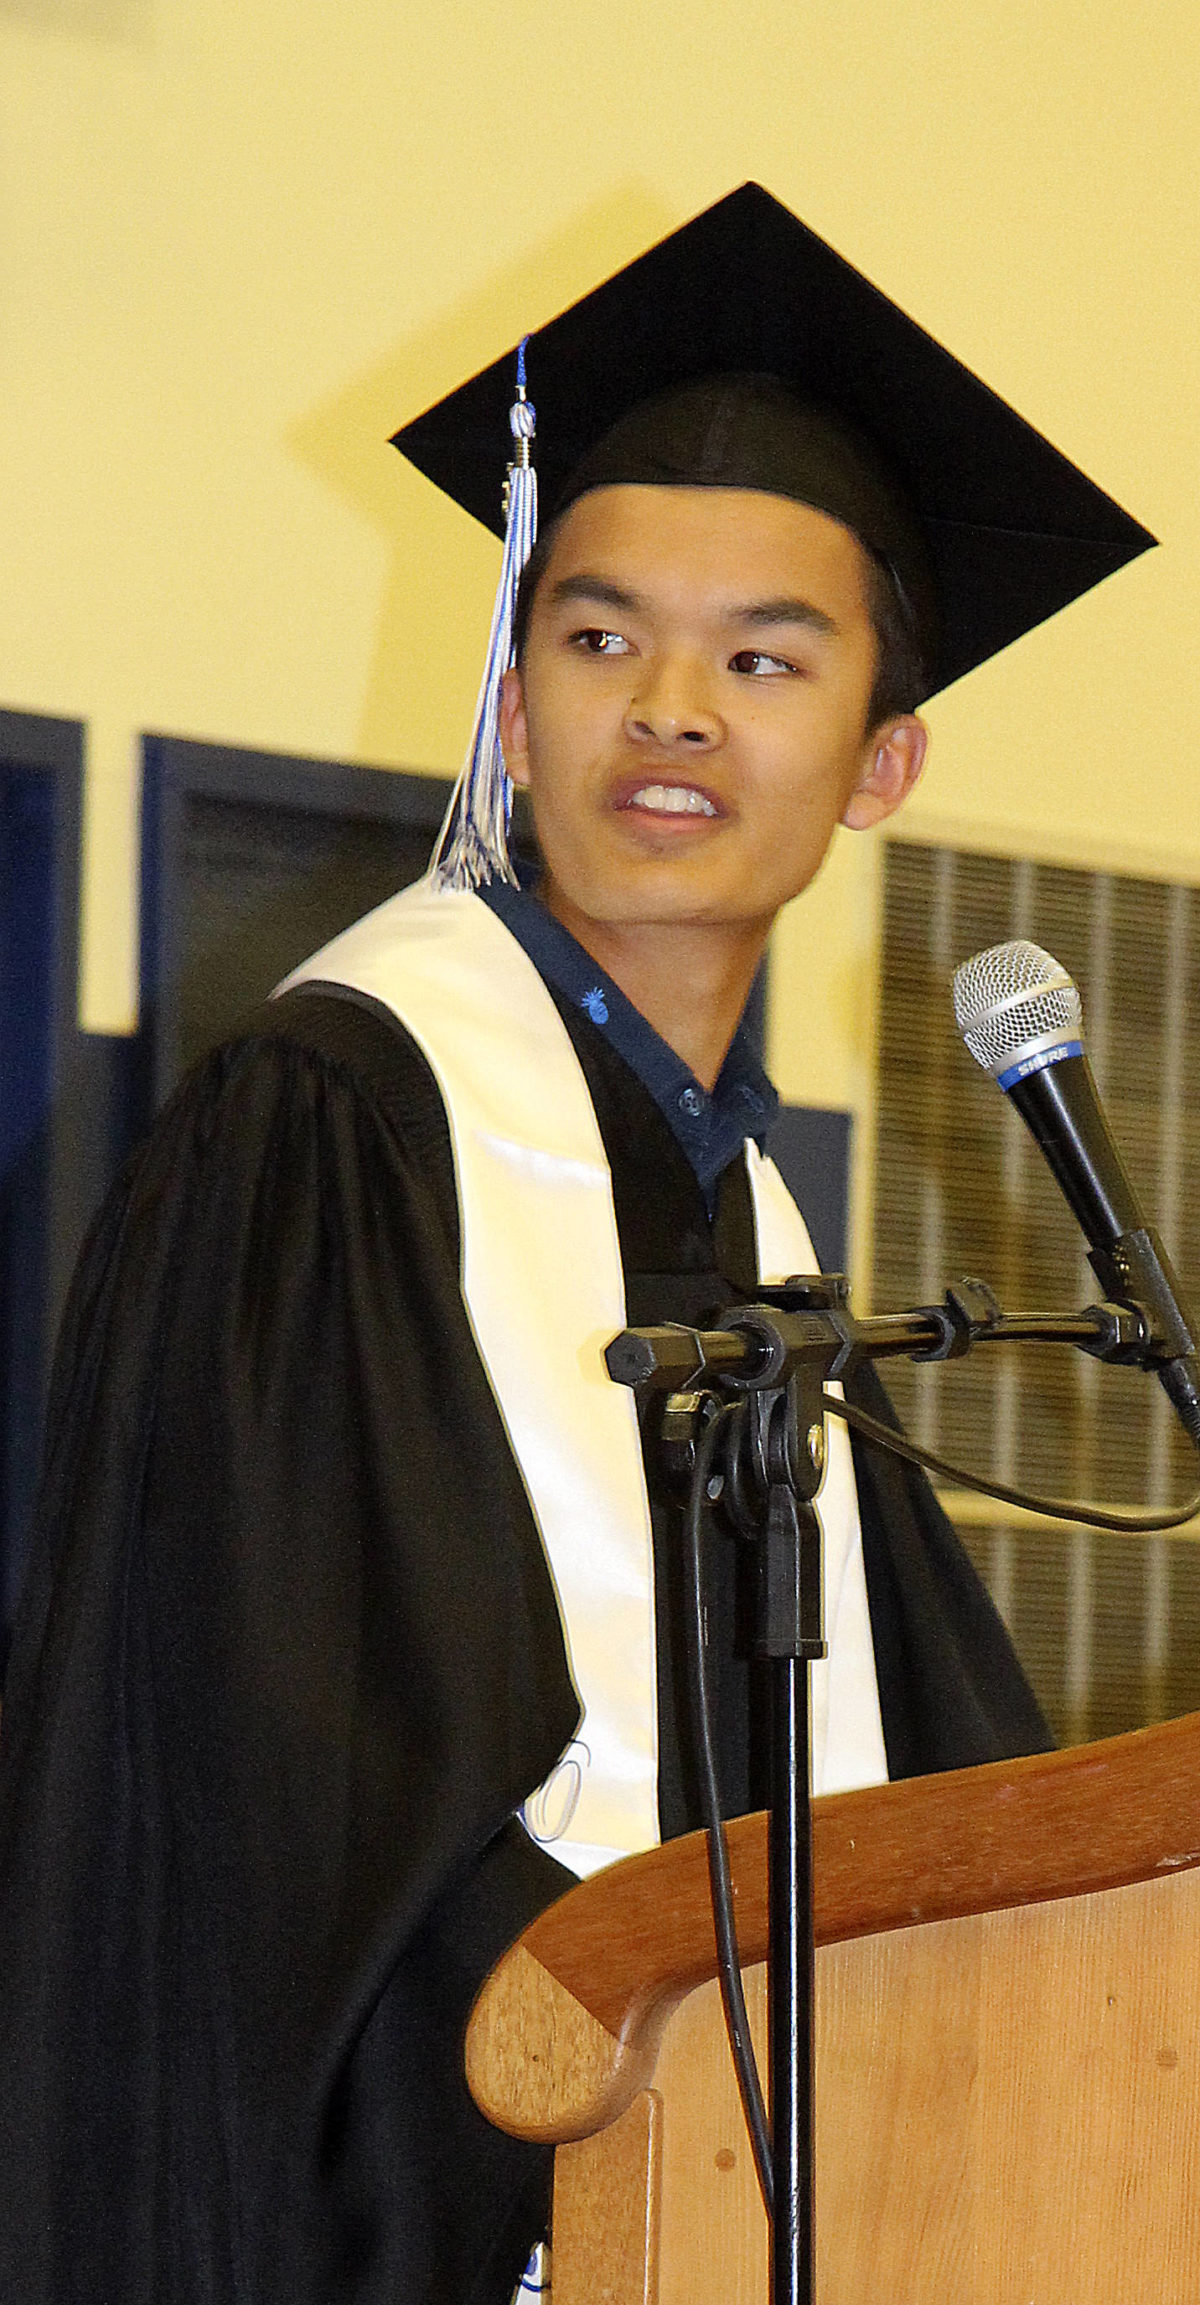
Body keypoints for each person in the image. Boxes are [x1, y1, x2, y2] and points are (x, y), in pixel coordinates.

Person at [0, 185, 1153, 2304]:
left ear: (882, 762)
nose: (675, 710)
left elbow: (930, 1790)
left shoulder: (762, 1230)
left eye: (764, 658)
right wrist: (657, 2079)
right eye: (603, 638)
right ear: (513, 713)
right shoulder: (339, 1130)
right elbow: (296, 1806)